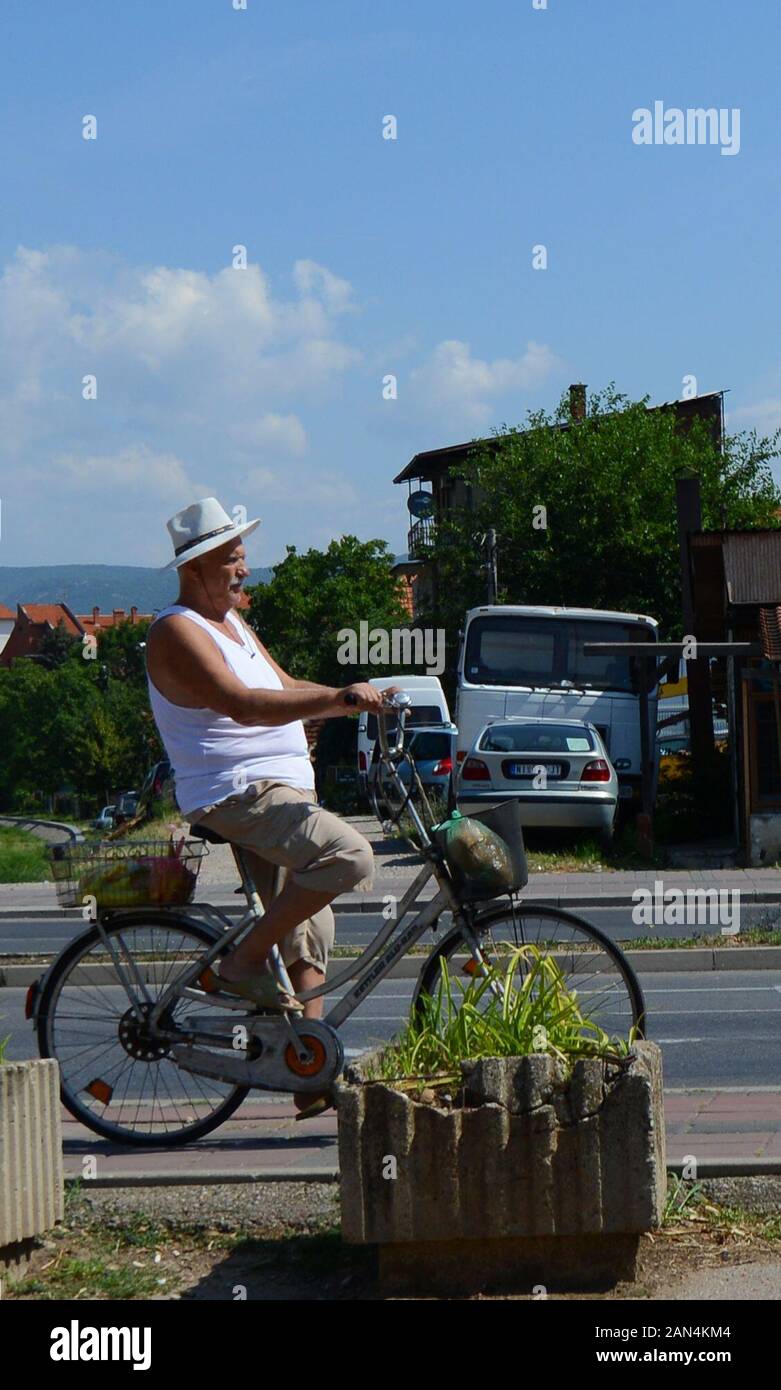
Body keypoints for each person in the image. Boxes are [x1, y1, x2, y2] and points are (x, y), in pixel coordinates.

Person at [145, 497, 388, 1116]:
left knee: (310, 932)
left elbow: (283, 688)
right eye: (232, 559)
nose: (243, 570)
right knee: (350, 856)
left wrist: (355, 700)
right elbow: (245, 705)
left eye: (242, 557)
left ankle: (309, 1072)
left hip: (279, 790)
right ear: (195, 567)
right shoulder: (177, 630)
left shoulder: (233, 624)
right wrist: (334, 698)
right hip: (238, 793)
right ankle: (242, 959)